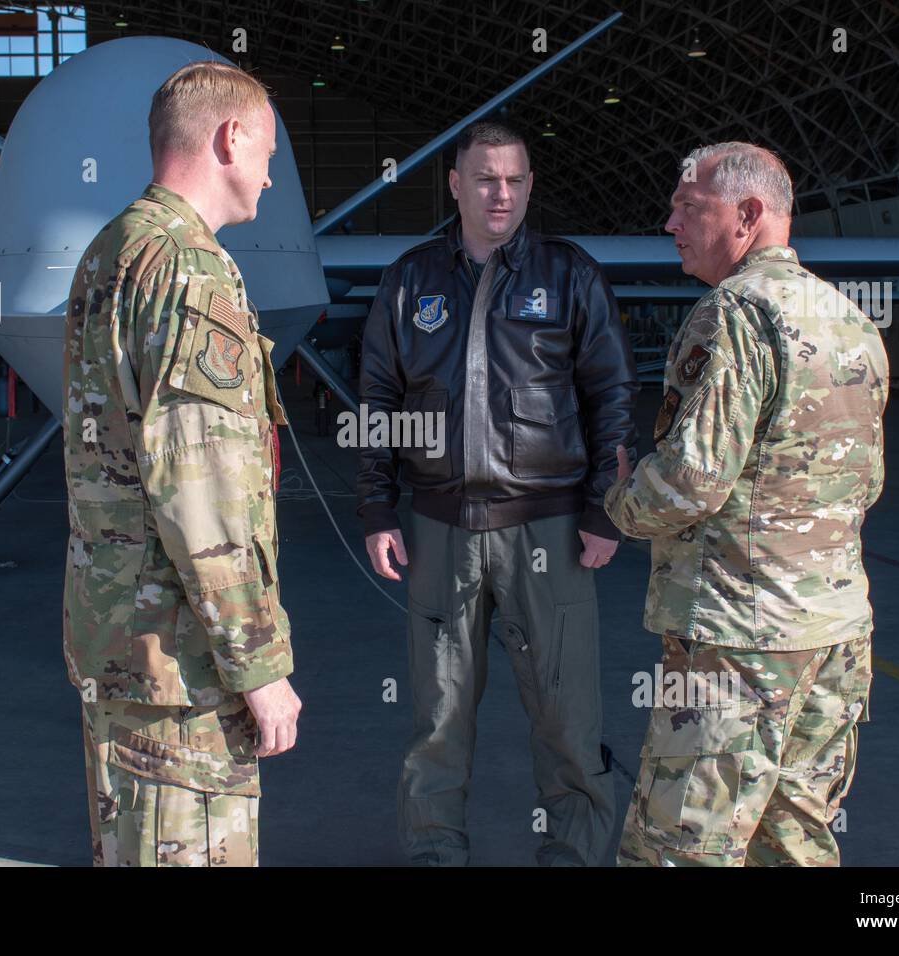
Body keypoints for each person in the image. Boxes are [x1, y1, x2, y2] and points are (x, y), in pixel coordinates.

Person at [358, 119, 639, 866]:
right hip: (439, 526)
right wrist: (378, 506)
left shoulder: (568, 274)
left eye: (515, 180)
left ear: (530, 185)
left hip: (547, 531)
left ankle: (574, 857)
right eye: (485, 179)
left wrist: (605, 506)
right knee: (439, 720)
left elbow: (611, 393)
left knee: (566, 718)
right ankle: (433, 856)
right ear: (455, 184)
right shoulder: (411, 278)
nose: (501, 194)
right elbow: (380, 399)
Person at [606, 142, 888, 866]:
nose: (670, 222)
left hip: (740, 643)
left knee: (679, 848)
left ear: (749, 214)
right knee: (792, 841)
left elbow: (689, 482)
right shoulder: (849, 320)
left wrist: (618, 501)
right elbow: (866, 482)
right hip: (834, 634)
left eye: (688, 207)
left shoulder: (732, 313)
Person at [61, 60, 300, 867]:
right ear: (231, 138)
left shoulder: (113, 252)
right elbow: (201, 489)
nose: (270, 178)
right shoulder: (191, 270)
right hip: (183, 668)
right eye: (268, 153)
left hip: (120, 648)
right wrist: (258, 664)